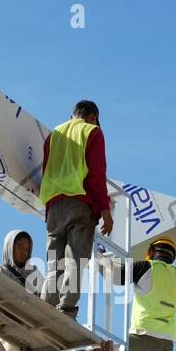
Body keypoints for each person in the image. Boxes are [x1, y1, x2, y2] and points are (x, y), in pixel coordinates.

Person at [38, 100, 113, 320]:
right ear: (92, 117)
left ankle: (44, 311)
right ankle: (67, 309)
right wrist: (105, 210)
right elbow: (96, 176)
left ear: (73, 115)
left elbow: (46, 171)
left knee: (54, 263)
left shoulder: (54, 135)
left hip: (53, 205)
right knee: (75, 261)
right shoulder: (93, 132)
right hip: (79, 202)